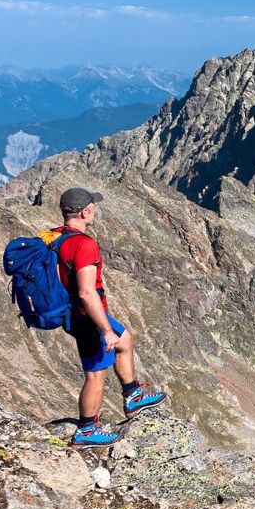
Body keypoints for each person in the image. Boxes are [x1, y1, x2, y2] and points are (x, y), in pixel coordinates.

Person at [49, 187, 166, 448]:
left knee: (125, 340)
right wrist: (104, 329)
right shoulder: (84, 244)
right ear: (84, 212)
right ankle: (86, 430)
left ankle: (133, 396)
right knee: (96, 374)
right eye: (92, 206)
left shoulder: (55, 237)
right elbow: (86, 292)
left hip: (74, 312)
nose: (95, 210)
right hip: (87, 317)